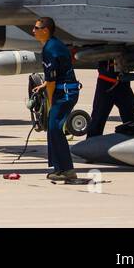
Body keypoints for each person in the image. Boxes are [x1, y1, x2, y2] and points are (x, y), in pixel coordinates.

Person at [34, 17, 80, 182]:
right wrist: (44, 85)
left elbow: (53, 82)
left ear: (45, 30)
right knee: (53, 128)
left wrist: (50, 100)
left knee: (54, 128)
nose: (33, 31)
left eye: (36, 28)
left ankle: (67, 170)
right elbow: (57, 72)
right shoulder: (54, 44)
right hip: (66, 90)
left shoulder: (49, 49)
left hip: (64, 94)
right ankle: (59, 169)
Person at [86, 59, 134, 138]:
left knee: (130, 121)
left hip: (123, 84)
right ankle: (89, 147)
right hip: (106, 85)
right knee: (97, 121)